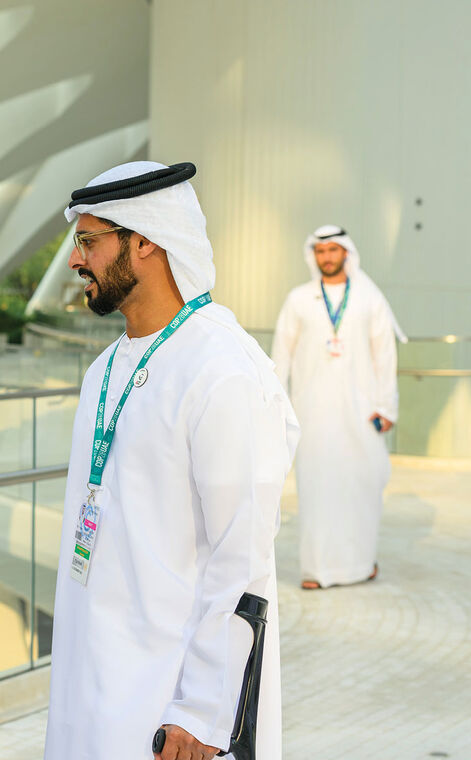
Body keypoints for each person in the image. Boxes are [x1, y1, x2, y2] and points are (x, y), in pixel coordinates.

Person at [45, 162, 299, 760]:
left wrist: (202, 709)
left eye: (88, 241)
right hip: (92, 672)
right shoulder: (104, 368)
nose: (75, 260)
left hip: (170, 701)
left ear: (146, 239)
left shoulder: (223, 367)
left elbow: (244, 555)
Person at [271, 225, 401, 590]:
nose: (326, 257)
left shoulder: (368, 298)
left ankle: (360, 563)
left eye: (333, 250)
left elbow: (385, 355)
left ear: (346, 252)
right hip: (311, 413)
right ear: (313, 255)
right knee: (316, 489)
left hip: (360, 413)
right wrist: (277, 406)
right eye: (320, 251)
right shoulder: (298, 299)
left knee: (361, 486)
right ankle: (317, 570)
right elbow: (282, 355)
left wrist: (386, 406)